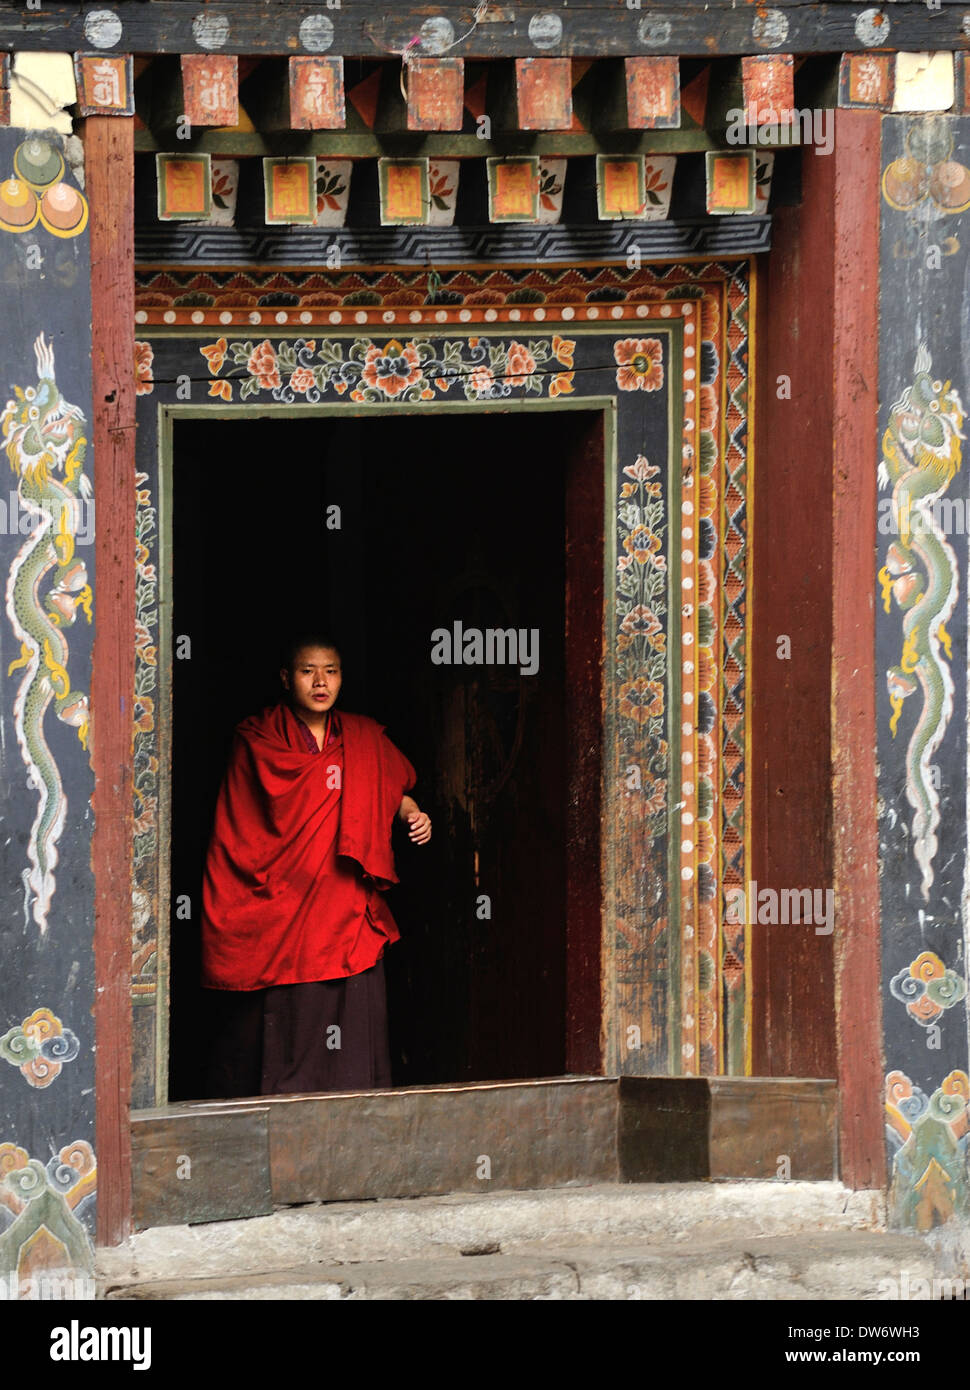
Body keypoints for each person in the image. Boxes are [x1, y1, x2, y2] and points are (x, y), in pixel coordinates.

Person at [200, 635, 431, 1097]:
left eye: (332, 670)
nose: (321, 682)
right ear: (287, 678)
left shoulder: (362, 737)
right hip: (283, 897)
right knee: (285, 1002)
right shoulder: (259, 738)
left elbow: (389, 789)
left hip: (343, 896)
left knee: (350, 996)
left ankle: (352, 1101)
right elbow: (242, 822)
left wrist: (413, 814)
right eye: (308, 671)